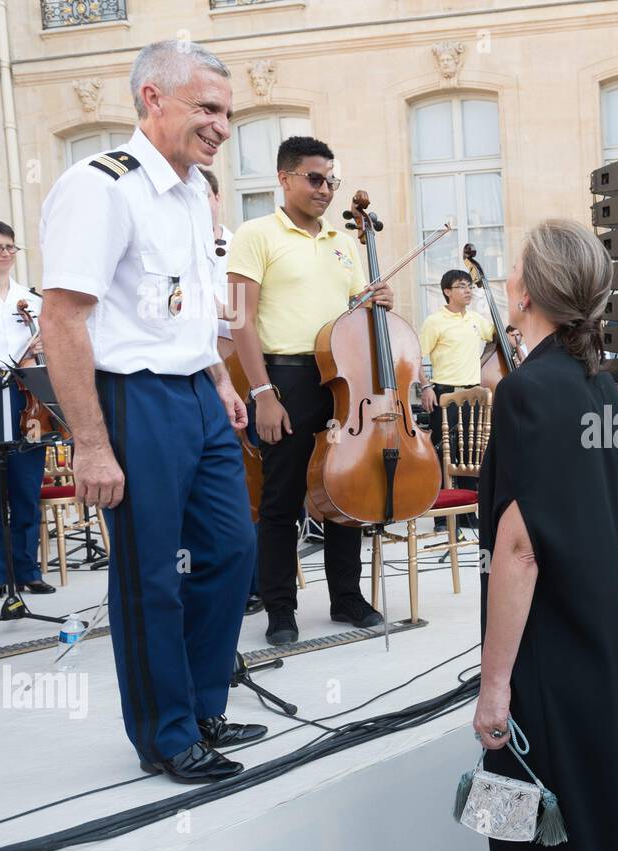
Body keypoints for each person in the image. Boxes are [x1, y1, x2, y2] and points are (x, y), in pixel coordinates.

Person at [39, 40, 263, 783]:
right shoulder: (100, 186)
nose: (222, 126)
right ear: (152, 100)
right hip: (134, 399)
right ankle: (166, 734)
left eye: (227, 112)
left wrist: (222, 382)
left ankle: (202, 704)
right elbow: (64, 319)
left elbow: (189, 306)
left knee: (232, 551)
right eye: (207, 108)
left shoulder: (196, 191)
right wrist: (92, 446)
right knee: (152, 576)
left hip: (196, 394)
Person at [472, 219, 618, 851]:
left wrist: (493, 685)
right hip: (599, 648)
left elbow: (520, 552)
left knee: (520, 826)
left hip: (541, 660)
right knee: (601, 812)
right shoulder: (598, 385)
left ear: (525, 295)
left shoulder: (526, 393)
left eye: (516, 267)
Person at [227, 135, 392, 646]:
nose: (325, 190)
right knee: (281, 499)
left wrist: (376, 299)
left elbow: (353, 315)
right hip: (285, 377)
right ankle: (280, 607)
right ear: (285, 177)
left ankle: (346, 596)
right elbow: (238, 319)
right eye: (315, 179)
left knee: (346, 490)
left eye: (331, 181)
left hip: (340, 380)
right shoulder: (254, 235)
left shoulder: (344, 243)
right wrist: (262, 392)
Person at [201, 171, 262, 616]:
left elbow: (245, 310)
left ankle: (252, 579)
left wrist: (216, 306)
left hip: (234, 359)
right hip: (192, 364)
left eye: (201, 193)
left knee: (246, 474)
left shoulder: (240, 243)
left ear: (217, 197)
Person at [0, 219, 52, 599]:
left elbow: (48, 351)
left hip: (27, 399)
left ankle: (27, 569)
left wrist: (41, 349)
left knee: (26, 486)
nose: (6, 254)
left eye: (11, 247)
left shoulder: (32, 300)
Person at [419, 269, 492, 534]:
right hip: (445, 393)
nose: (467, 290)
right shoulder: (434, 321)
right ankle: (442, 517)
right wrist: (426, 387)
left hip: (472, 393)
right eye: (461, 286)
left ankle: (468, 514)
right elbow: (416, 356)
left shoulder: (476, 320)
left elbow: (497, 337)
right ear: (447, 291)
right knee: (443, 452)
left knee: (470, 454)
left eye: (470, 286)